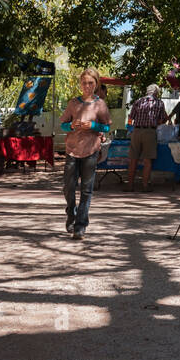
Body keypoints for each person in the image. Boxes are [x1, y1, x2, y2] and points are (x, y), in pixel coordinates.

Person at [59, 68, 111, 239]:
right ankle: (71, 214)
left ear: (96, 84)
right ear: (80, 84)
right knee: (69, 187)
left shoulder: (100, 105)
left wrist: (94, 126)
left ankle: (80, 226)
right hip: (72, 150)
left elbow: (107, 127)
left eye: (91, 83)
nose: (87, 86)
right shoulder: (73, 103)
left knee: (86, 190)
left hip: (91, 151)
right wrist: (72, 125)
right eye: (84, 83)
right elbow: (63, 125)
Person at [126, 84, 167, 191]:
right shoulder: (159, 103)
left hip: (136, 131)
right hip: (150, 132)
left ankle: (130, 185)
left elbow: (130, 118)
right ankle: (145, 186)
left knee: (133, 159)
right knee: (147, 160)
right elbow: (162, 120)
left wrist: (130, 129)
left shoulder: (138, 101)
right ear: (156, 92)